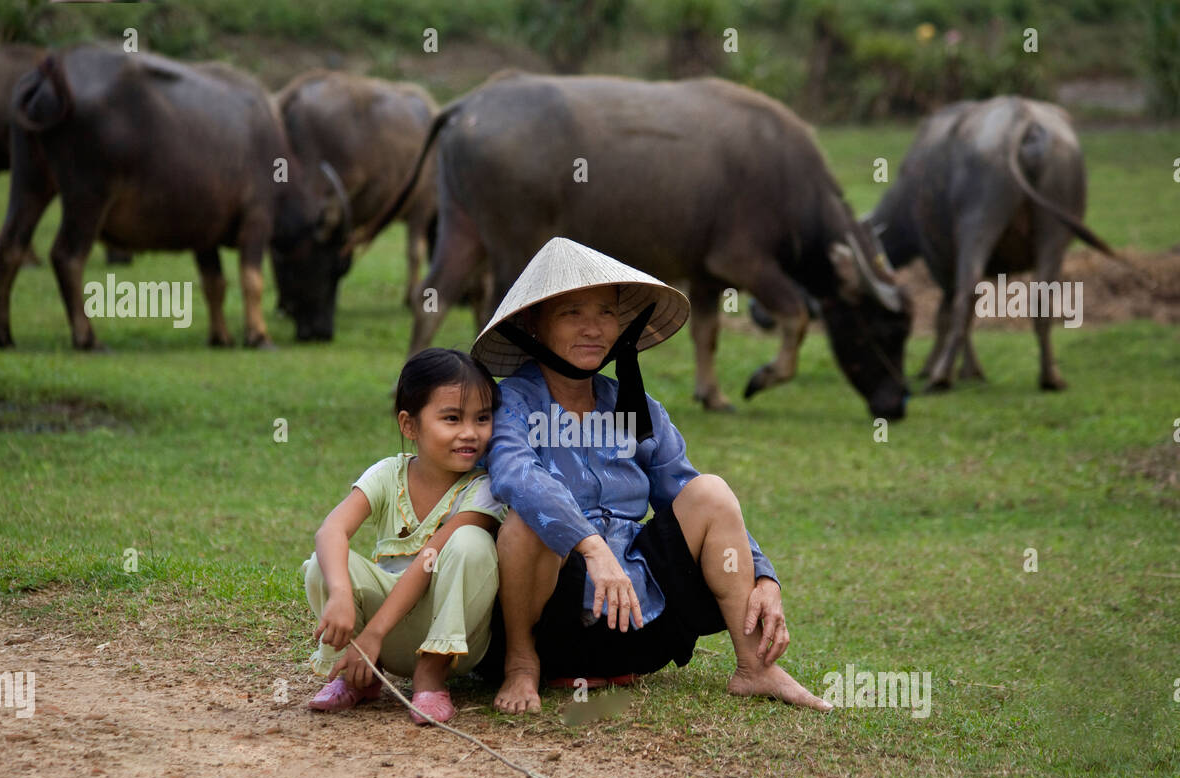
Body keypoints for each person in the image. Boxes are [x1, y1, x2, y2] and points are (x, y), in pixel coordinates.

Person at [473, 237, 833, 716]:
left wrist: (764, 575)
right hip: (554, 625)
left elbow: (687, 491)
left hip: (638, 621)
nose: (592, 328)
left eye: (605, 312)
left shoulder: (635, 407)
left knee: (710, 492)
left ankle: (753, 667)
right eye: (571, 313)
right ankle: (521, 664)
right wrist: (589, 544)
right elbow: (517, 476)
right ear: (533, 326)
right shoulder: (510, 403)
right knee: (524, 524)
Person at [300, 348, 507, 724]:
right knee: (324, 562)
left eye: (482, 418)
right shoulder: (387, 475)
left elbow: (431, 557)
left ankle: (431, 674)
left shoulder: (485, 488)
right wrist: (343, 595)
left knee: (470, 543)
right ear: (409, 426)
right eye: (451, 418)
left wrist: (374, 632)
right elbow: (331, 529)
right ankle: (358, 673)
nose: (469, 433)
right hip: (382, 641)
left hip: (455, 641)